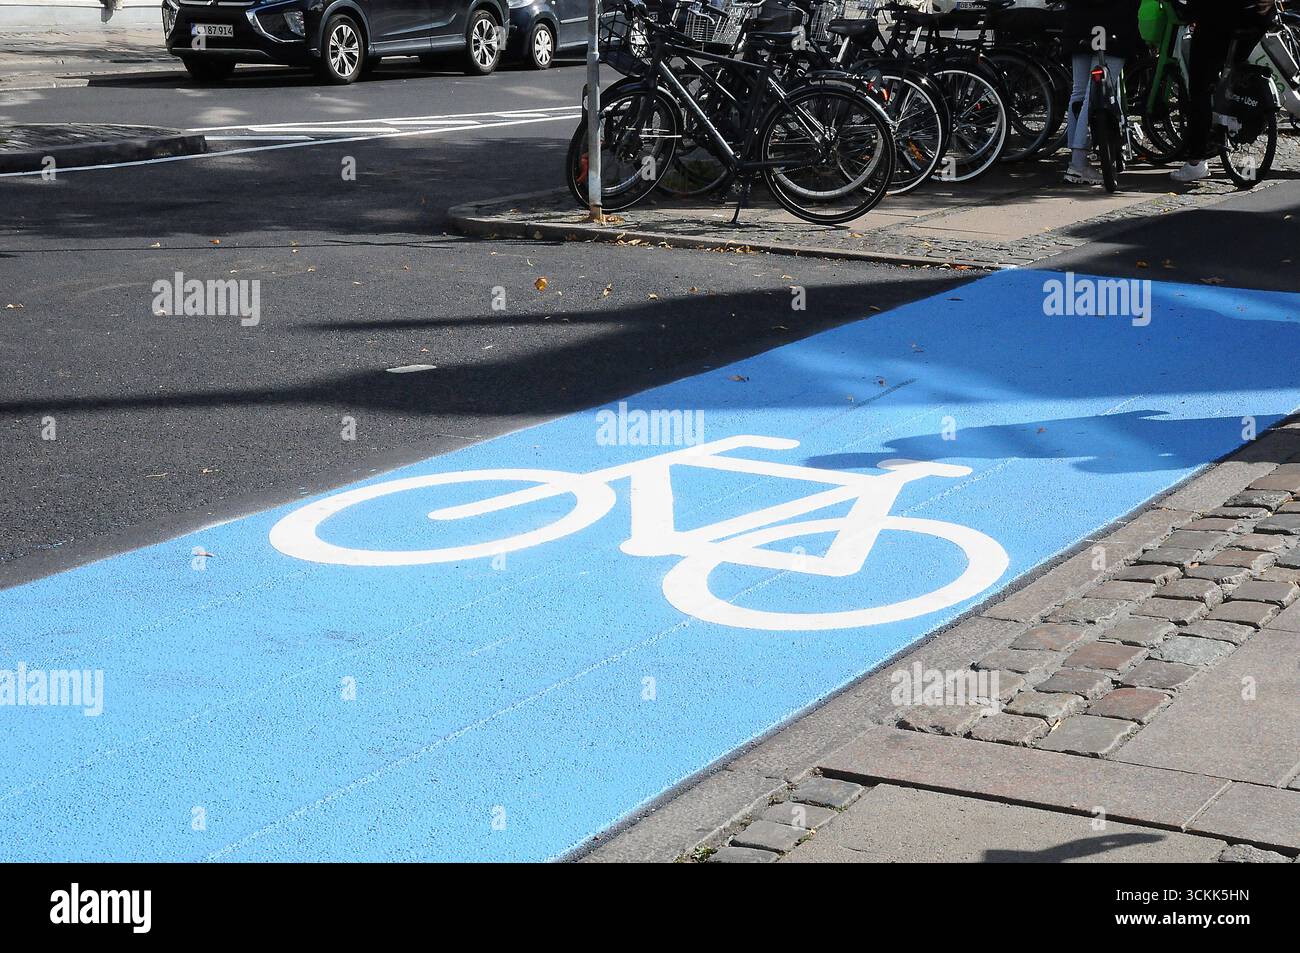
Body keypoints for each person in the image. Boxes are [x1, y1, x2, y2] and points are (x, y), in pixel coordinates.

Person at [1172, 0, 1277, 183]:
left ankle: (1196, 162)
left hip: (1219, 17)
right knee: (1234, 65)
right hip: (1258, 16)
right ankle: (1233, 98)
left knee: (1200, 87)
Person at [1062, 0, 1143, 185]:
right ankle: (1078, 162)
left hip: (1078, 25)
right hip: (1114, 26)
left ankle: (1075, 157)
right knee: (1094, 92)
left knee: (1080, 92)